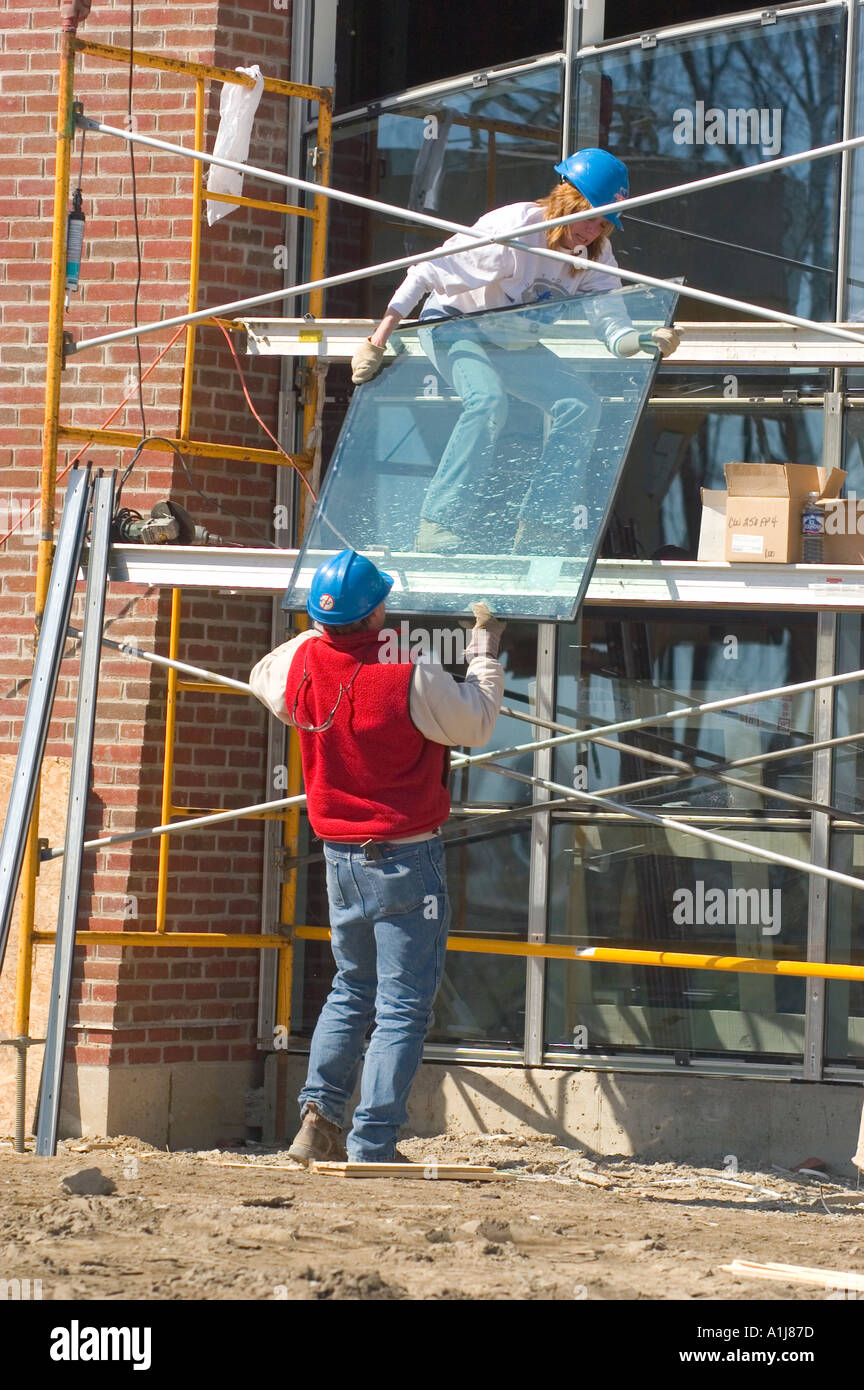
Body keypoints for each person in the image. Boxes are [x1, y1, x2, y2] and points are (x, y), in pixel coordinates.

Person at [249, 549, 505, 1163]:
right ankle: (373, 1143)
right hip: (404, 862)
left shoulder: (302, 668)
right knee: (401, 1005)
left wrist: (322, 630)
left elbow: (268, 676)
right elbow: (477, 723)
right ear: (379, 612)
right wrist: (484, 652)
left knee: (350, 988)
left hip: (339, 859)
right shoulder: (406, 676)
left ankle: (317, 1122)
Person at [350, 148, 679, 555]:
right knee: (486, 400)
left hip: (510, 340)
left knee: (581, 404)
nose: (593, 230)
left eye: (605, 223)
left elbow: (610, 325)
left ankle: (540, 524)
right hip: (455, 323)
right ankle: (438, 524)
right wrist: (377, 340)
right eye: (589, 215)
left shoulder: (595, 256)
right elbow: (425, 271)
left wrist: (642, 341)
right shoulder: (514, 230)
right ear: (566, 198)